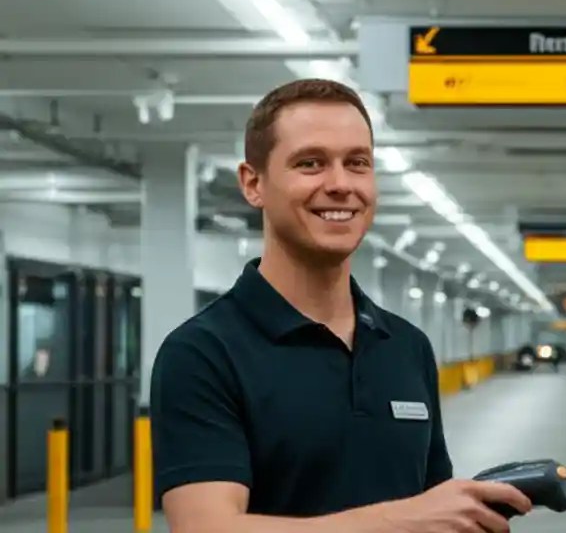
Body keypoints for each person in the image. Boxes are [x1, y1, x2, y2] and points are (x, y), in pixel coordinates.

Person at [149, 79, 532, 533]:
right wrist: (403, 520)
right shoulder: (203, 353)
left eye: (357, 164)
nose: (340, 185)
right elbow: (206, 528)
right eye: (310, 163)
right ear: (254, 184)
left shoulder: (407, 347)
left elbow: (432, 514)